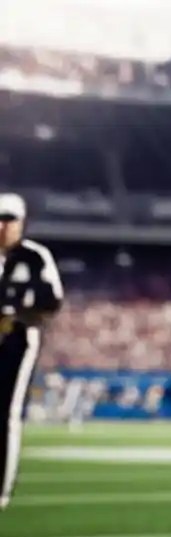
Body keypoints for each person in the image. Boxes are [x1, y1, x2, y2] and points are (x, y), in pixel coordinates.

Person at [0, 192, 64, 510]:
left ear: (21, 223)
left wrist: (15, 311)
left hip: (16, 337)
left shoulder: (34, 257)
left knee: (5, 412)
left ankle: (1, 488)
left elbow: (52, 301)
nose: (2, 226)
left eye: (8, 220)